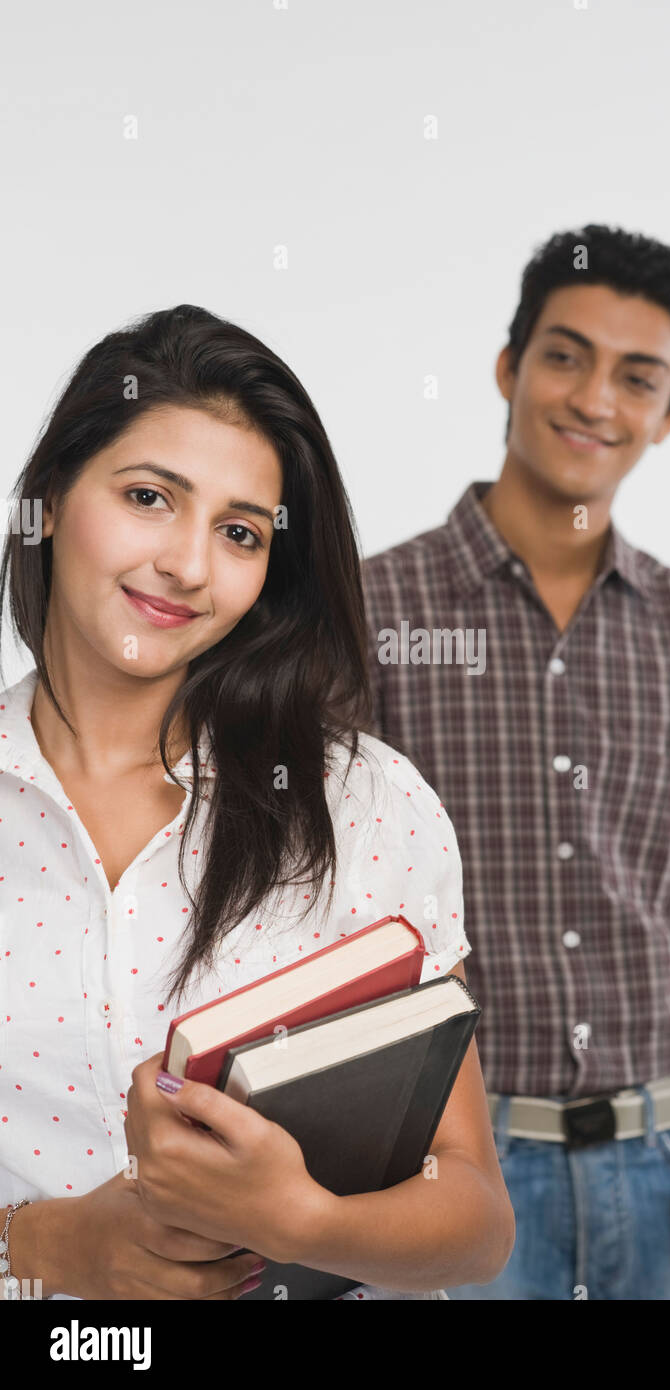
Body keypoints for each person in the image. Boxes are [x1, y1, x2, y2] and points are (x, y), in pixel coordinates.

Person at [360, 225, 670, 1300]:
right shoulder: (367, 616)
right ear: (508, 366)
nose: (594, 398)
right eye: (564, 354)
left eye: (637, 377)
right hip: (449, 1175)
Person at [0, 304, 514, 1301]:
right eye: (149, 496)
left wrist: (301, 1221)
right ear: (54, 496)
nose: (188, 565)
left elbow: (476, 1222)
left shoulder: (363, 802)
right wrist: (42, 1247)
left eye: (239, 531)